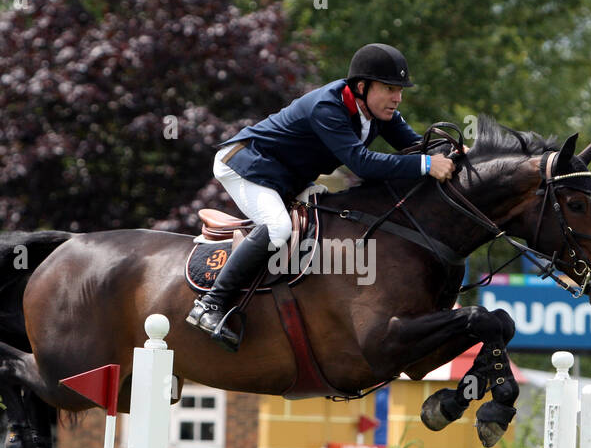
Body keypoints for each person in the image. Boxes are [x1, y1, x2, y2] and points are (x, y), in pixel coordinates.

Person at [187, 43, 455, 350]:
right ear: (362, 86)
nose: (397, 98)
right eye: (390, 89)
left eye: (400, 90)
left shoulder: (380, 111)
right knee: (278, 228)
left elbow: (414, 147)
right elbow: (362, 164)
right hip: (245, 163)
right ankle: (210, 303)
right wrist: (426, 165)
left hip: (285, 175)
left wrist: (455, 156)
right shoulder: (328, 107)